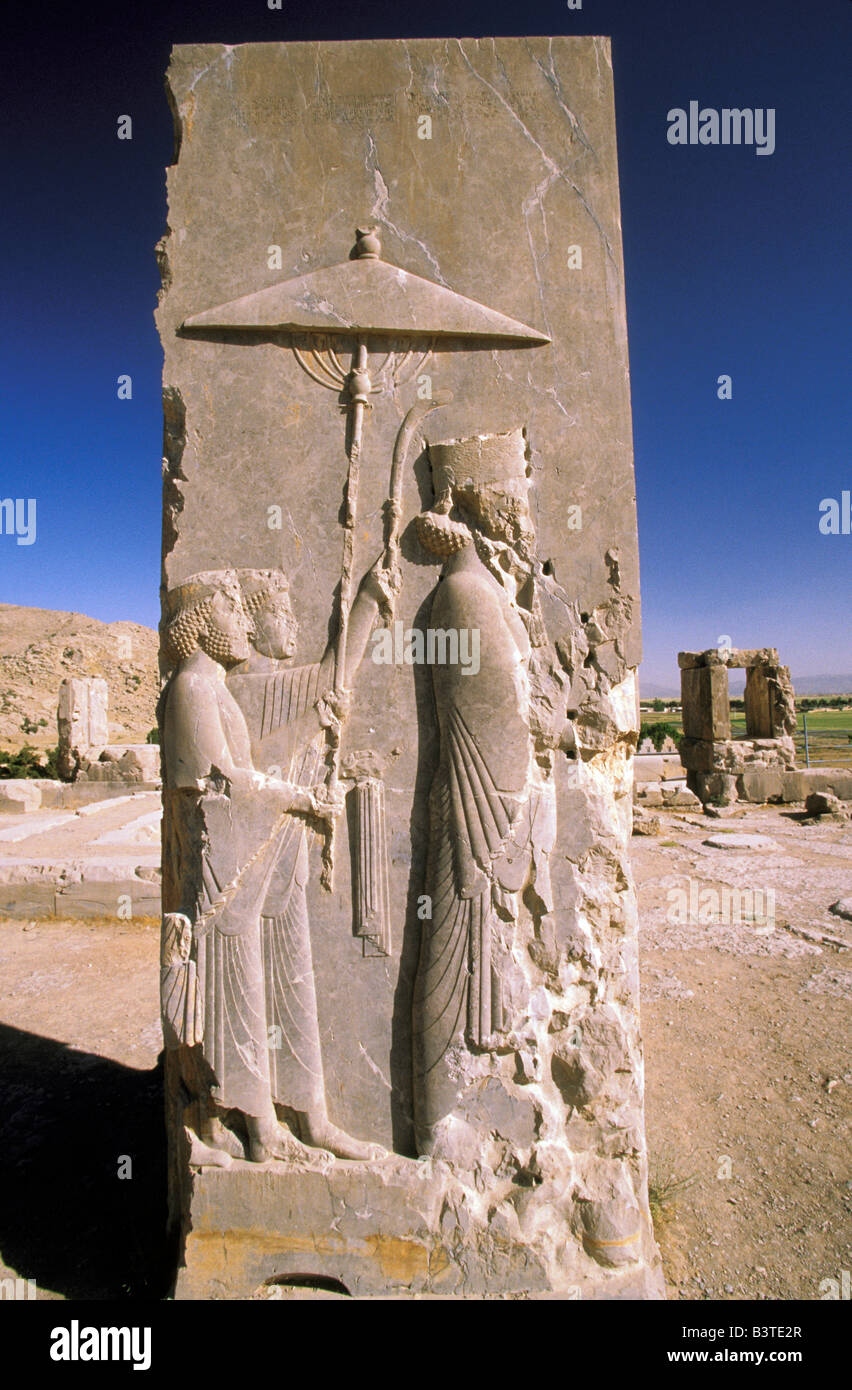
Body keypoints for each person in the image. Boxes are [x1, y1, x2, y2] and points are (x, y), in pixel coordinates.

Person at [411, 428, 567, 1156]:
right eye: (514, 496)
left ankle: (460, 1107)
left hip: (488, 796)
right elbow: (491, 719)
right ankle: (439, 1119)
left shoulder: (484, 592)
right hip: (480, 804)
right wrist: (548, 716)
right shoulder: (468, 596)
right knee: (451, 948)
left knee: (466, 946)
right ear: (480, 505)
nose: (526, 510)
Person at [160, 569, 344, 1165]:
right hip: (219, 868)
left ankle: (262, 1127)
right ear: (198, 624)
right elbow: (225, 783)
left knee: (244, 992)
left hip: (234, 859)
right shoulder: (192, 687)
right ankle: (252, 1129)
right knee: (232, 996)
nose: (241, 620)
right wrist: (297, 797)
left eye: (244, 608)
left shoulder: (212, 686)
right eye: (230, 609)